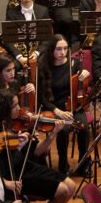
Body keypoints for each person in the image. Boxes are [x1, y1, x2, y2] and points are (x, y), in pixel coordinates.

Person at [38, 35, 91, 174]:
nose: (62, 52)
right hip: (55, 108)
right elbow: (42, 98)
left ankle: (83, 163)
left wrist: (85, 75)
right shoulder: (44, 68)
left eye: (65, 49)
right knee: (64, 129)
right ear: (51, 51)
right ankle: (63, 164)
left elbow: (82, 86)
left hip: (74, 106)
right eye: (59, 49)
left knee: (84, 128)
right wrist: (58, 112)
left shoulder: (75, 64)